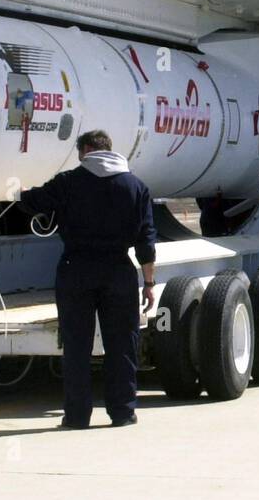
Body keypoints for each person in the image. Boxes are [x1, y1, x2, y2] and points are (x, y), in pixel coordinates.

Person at [19, 130, 156, 429]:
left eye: (81, 153)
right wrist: (148, 283)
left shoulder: (69, 182)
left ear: (89, 149)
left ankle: (77, 416)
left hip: (76, 269)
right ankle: (122, 412)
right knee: (122, 345)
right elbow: (146, 240)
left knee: (77, 346)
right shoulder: (136, 187)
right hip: (118, 270)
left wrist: (19, 191)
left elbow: (33, 202)